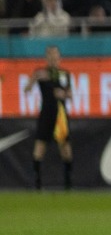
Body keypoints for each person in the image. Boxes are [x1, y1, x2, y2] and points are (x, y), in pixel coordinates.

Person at [31, 45, 72, 190]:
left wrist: (63, 94)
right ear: (47, 58)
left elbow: (69, 95)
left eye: (56, 56)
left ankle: (68, 185)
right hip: (46, 114)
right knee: (39, 149)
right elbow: (27, 88)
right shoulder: (41, 73)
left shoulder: (64, 74)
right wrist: (33, 79)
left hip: (60, 116)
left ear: (59, 58)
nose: (53, 59)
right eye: (51, 56)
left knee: (66, 150)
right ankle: (37, 185)